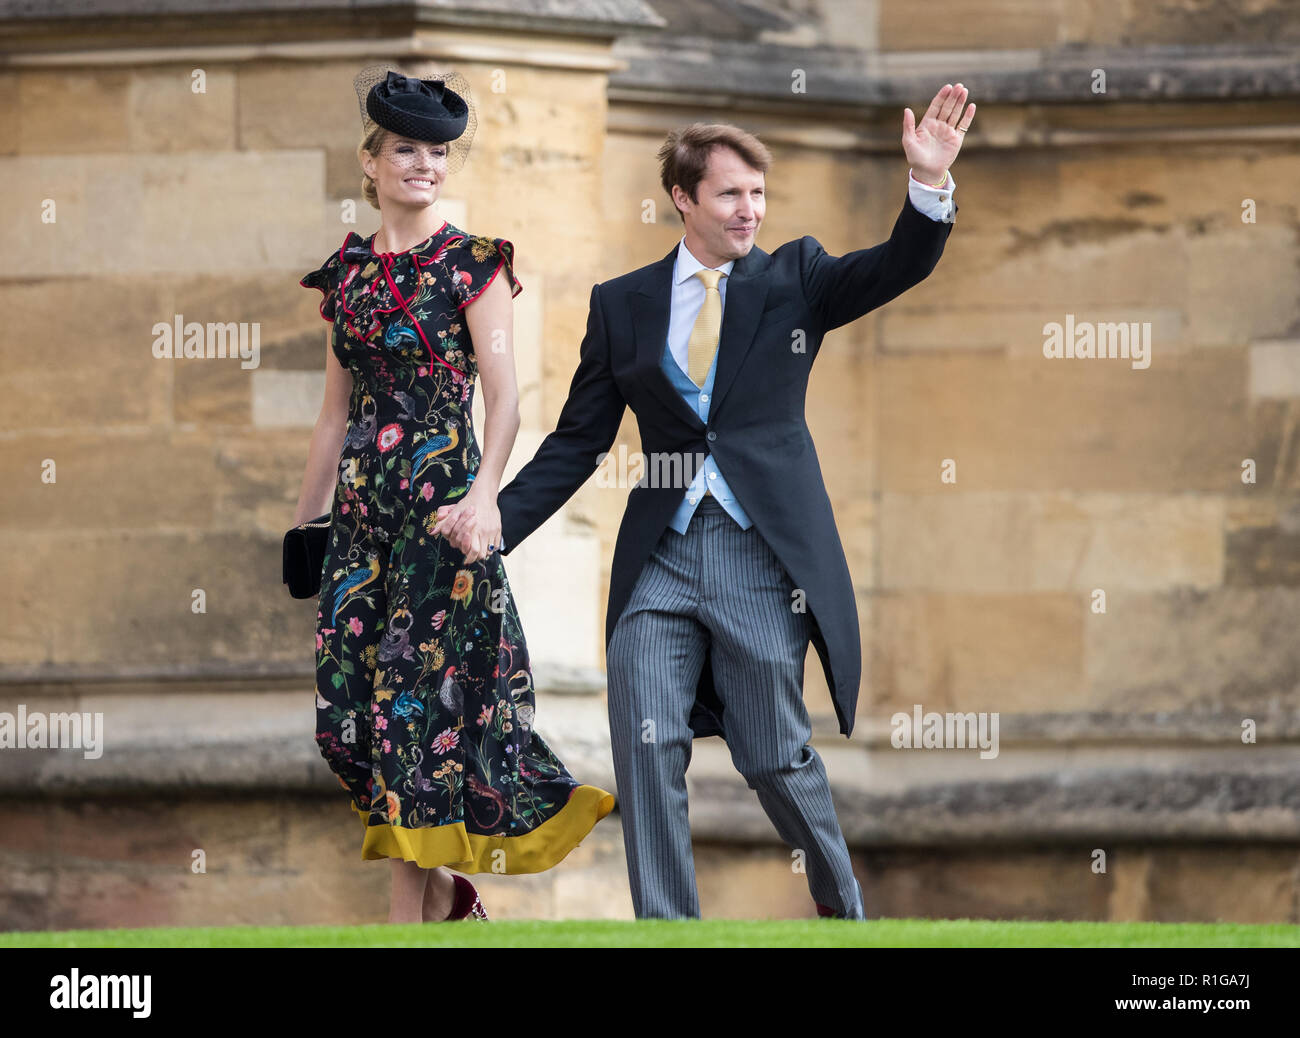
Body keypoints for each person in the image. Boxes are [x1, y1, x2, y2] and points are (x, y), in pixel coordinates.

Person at [435, 84, 974, 919]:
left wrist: (928, 187)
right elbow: (579, 439)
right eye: (730, 193)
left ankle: (845, 916)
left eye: (758, 193)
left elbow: (895, 265)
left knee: (773, 754)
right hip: (661, 558)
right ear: (682, 199)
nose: (750, 209)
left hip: (764, 560)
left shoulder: (798, 279)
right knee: (646, 744)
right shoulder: (624, 304)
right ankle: (668, 933)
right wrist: (497, 515)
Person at [291, 64, 615, 924]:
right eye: (407, 149)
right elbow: (332, 417)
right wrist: (305, 523)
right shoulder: (348, 278)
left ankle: (407, 929)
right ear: (371, 162)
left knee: (410, 719)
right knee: (344, 724)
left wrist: (484, 502)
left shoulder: (474, 266)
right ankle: (450, 905)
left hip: (443, 519)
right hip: (361, 519)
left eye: (438, 151)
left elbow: (506, 400)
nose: (425, 164)